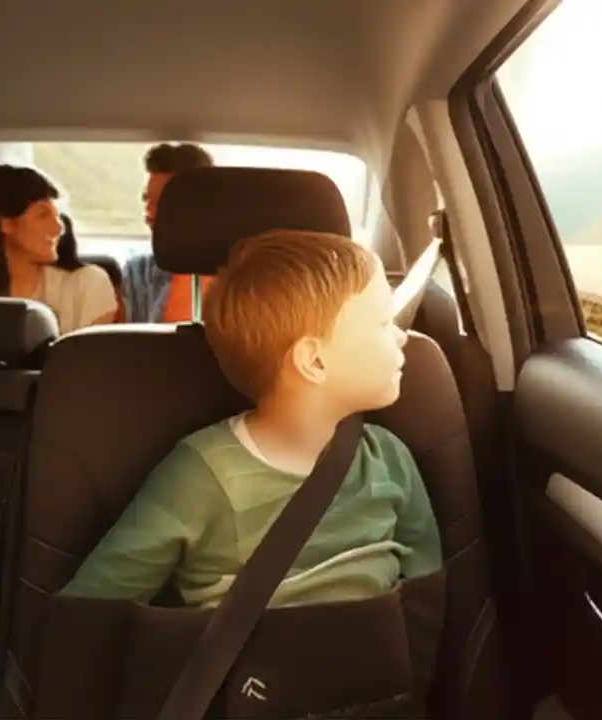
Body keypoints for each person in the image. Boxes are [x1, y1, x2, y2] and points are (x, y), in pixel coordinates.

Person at [60, 229, 441, 609]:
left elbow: (429, 597)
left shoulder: (390, 459)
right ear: (314, 361)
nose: (402, 337)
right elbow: (92, 611)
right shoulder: (203, 475)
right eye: (381, 323)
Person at [0, 165, 117, 333]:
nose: (59, 228)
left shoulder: (87, 285)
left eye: (57, 215)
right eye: (43, 215)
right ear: (4, 223)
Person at [122, 142, 215, 323]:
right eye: (147, 202)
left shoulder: (241, 277)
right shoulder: (138, 272)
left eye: (161, 202)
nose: (149, 215)